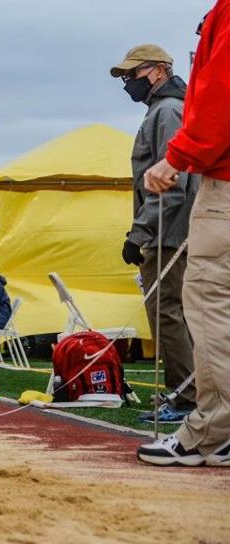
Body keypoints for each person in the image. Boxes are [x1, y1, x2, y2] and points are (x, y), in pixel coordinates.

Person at [138, 0, 230, 467]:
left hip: (223, 183)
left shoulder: (227, 10)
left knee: (209, 303)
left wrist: (176, 159)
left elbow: (219, 99)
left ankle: (212, 428)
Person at [111, 44, 198, 423]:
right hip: (166, 231)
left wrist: (140, 232)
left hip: (170, 233)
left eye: (134, 73)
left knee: (167, 314)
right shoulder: (163, 110)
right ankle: (188, 394)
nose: (129, 82)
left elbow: (171, 183)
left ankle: (188, 398)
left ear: (160, 70)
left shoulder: (167, 112)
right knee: (173, 314)